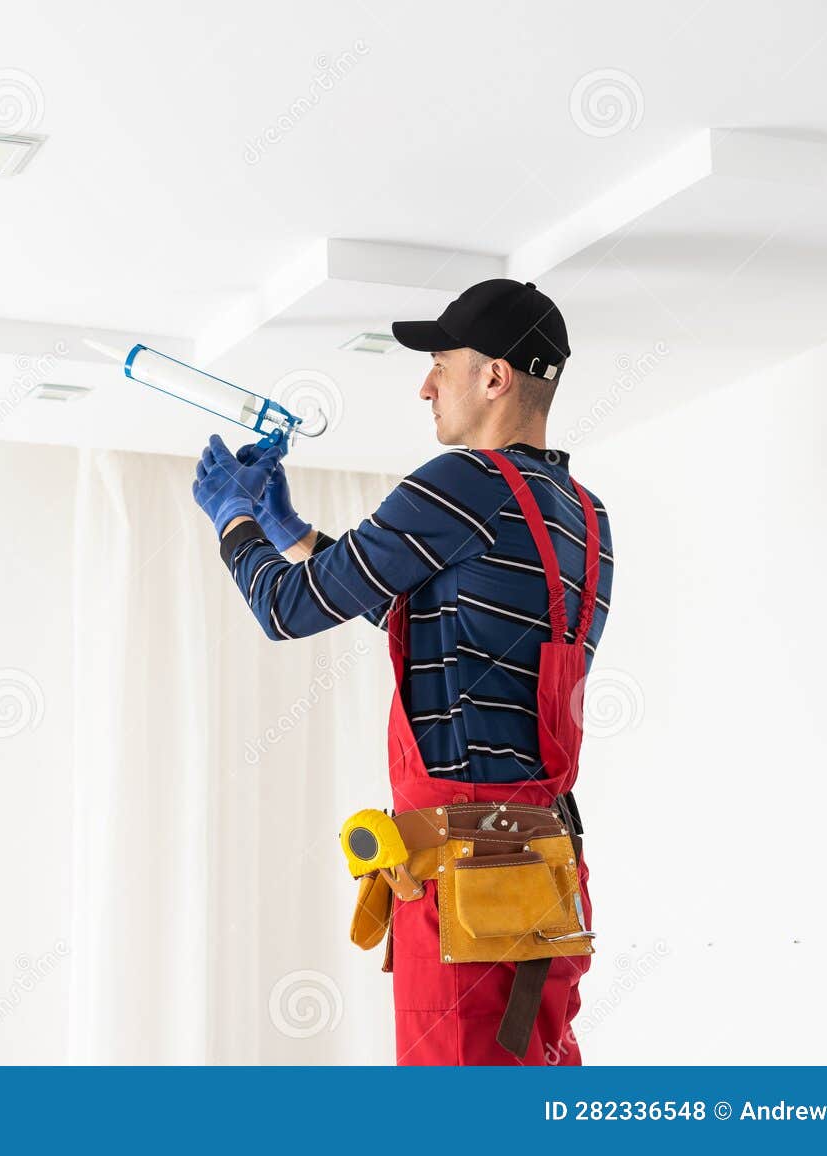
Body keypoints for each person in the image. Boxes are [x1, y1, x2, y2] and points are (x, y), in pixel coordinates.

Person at [191, 279, 613, 1065]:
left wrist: (233, 520)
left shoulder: (463, 482)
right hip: (547, 873)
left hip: (469, 879)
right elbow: (430, 623)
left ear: (495, 377)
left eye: (441, 366)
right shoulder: (584, 514)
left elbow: (286, 609)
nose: (426, 386)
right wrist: (289, 530)